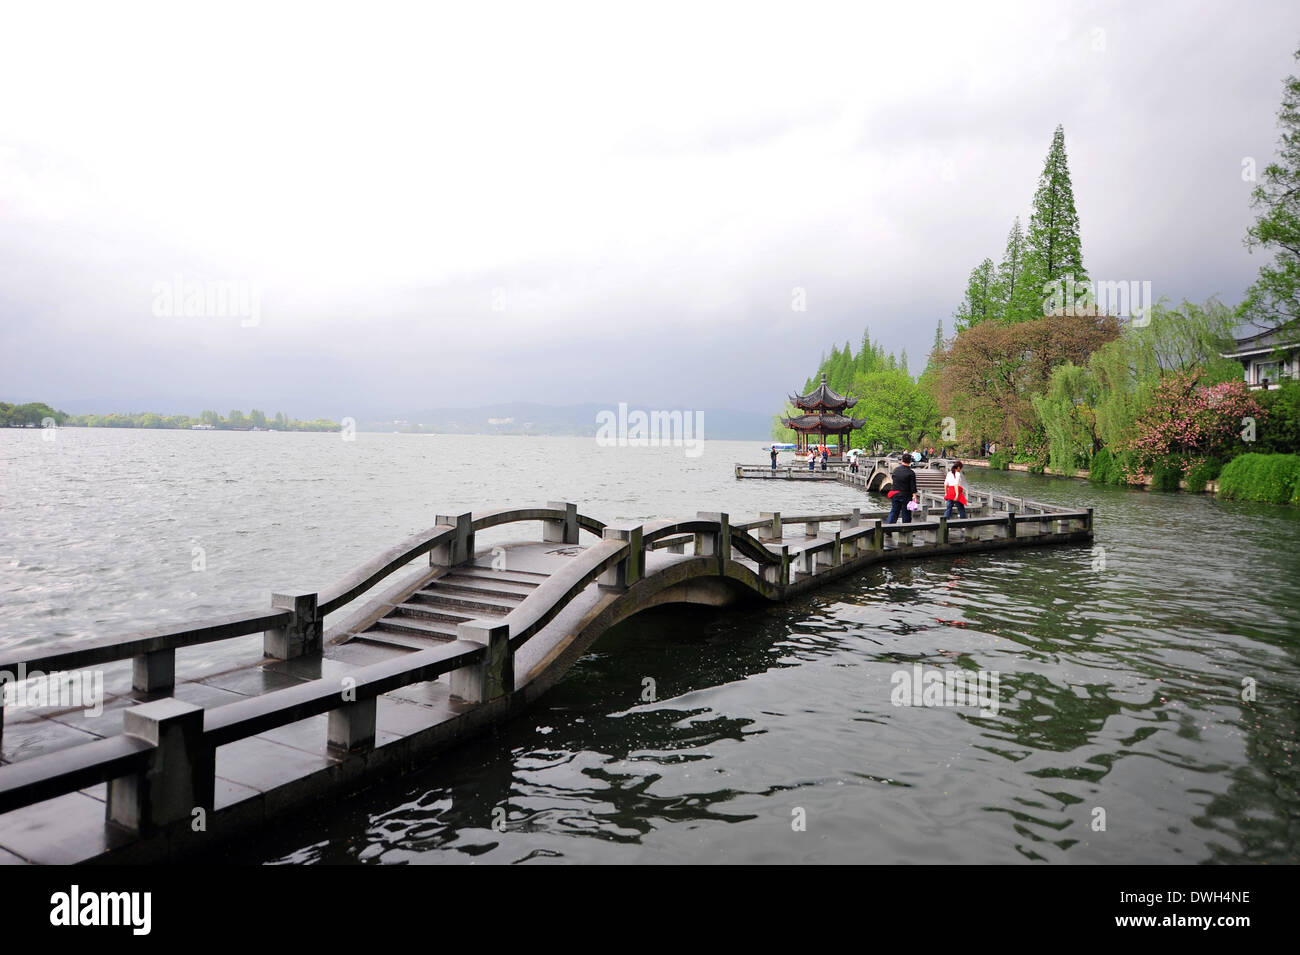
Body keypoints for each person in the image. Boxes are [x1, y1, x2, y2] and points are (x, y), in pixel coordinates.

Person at [886, 453, 919, 524]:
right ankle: (906, 530)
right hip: (906, 495)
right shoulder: (911, 472)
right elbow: (913, 486)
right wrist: (914, 496)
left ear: (901, 460)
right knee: (906, 513)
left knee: (894, 512)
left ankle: (888, 528)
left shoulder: (896, 470)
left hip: (895, 494)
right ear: (910, 461)